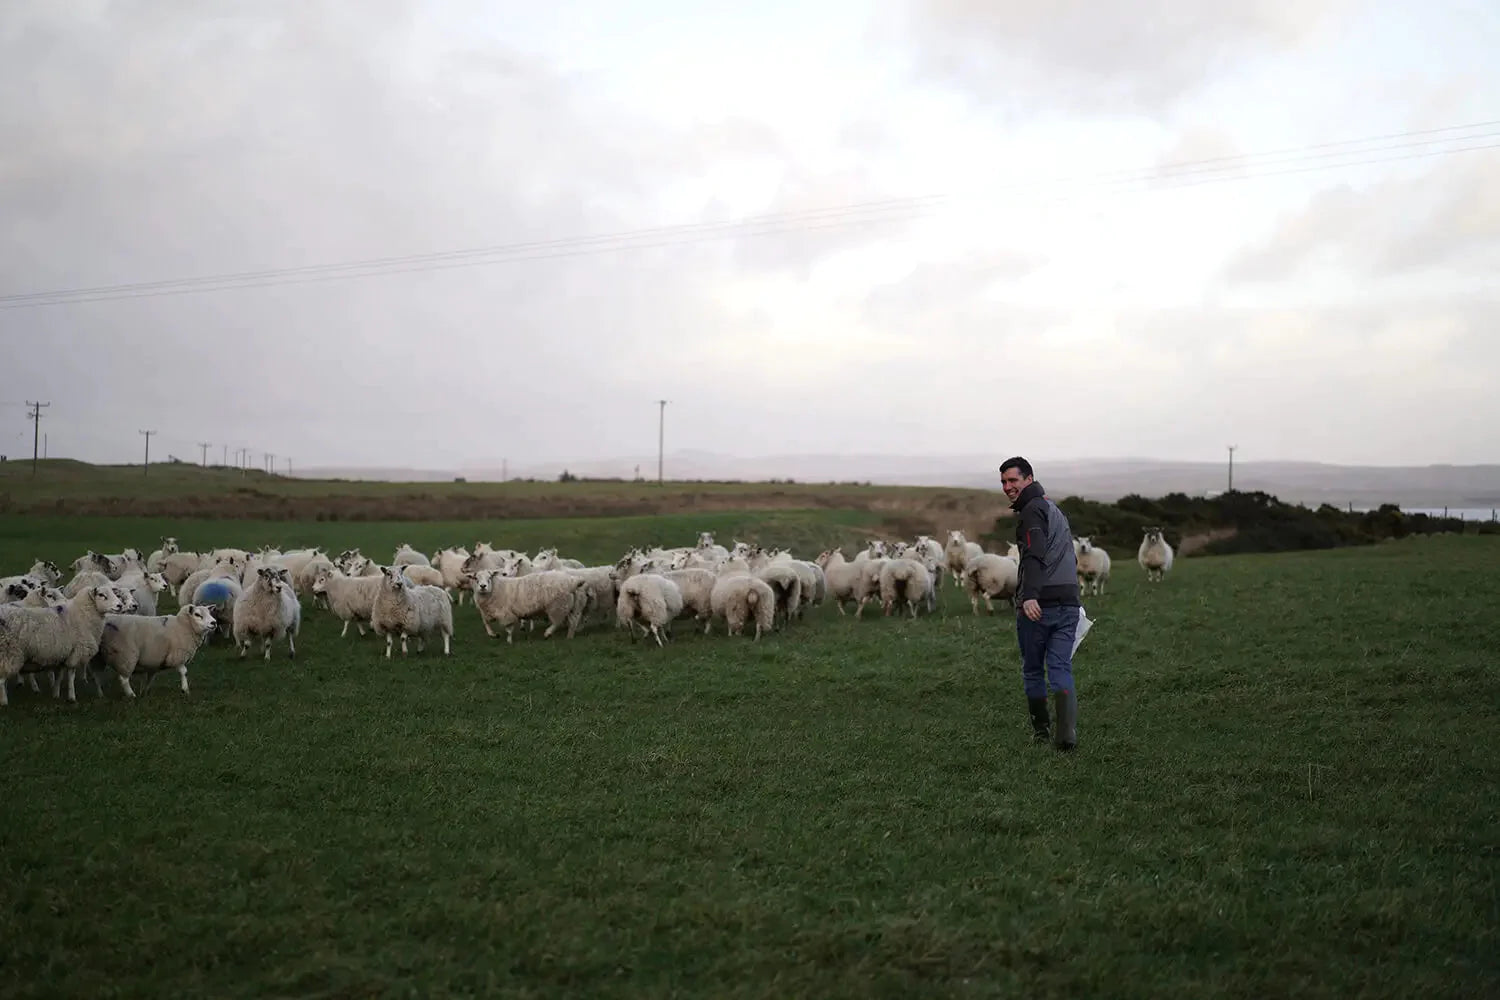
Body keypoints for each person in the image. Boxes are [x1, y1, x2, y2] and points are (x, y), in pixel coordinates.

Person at [999, 456, 1080, 751]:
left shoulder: (1032, 511)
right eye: (1004, 482)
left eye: (1013, 480)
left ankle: (1042, 733)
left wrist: (1031, 595)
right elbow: (1068, 557)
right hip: (1068, 602)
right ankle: (1067, 736)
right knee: (1060, 666)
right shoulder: (1053, 509)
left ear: (1028, 479)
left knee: (1034, 669)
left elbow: (1034, 554)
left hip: (1040, 603)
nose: (1008, 487)